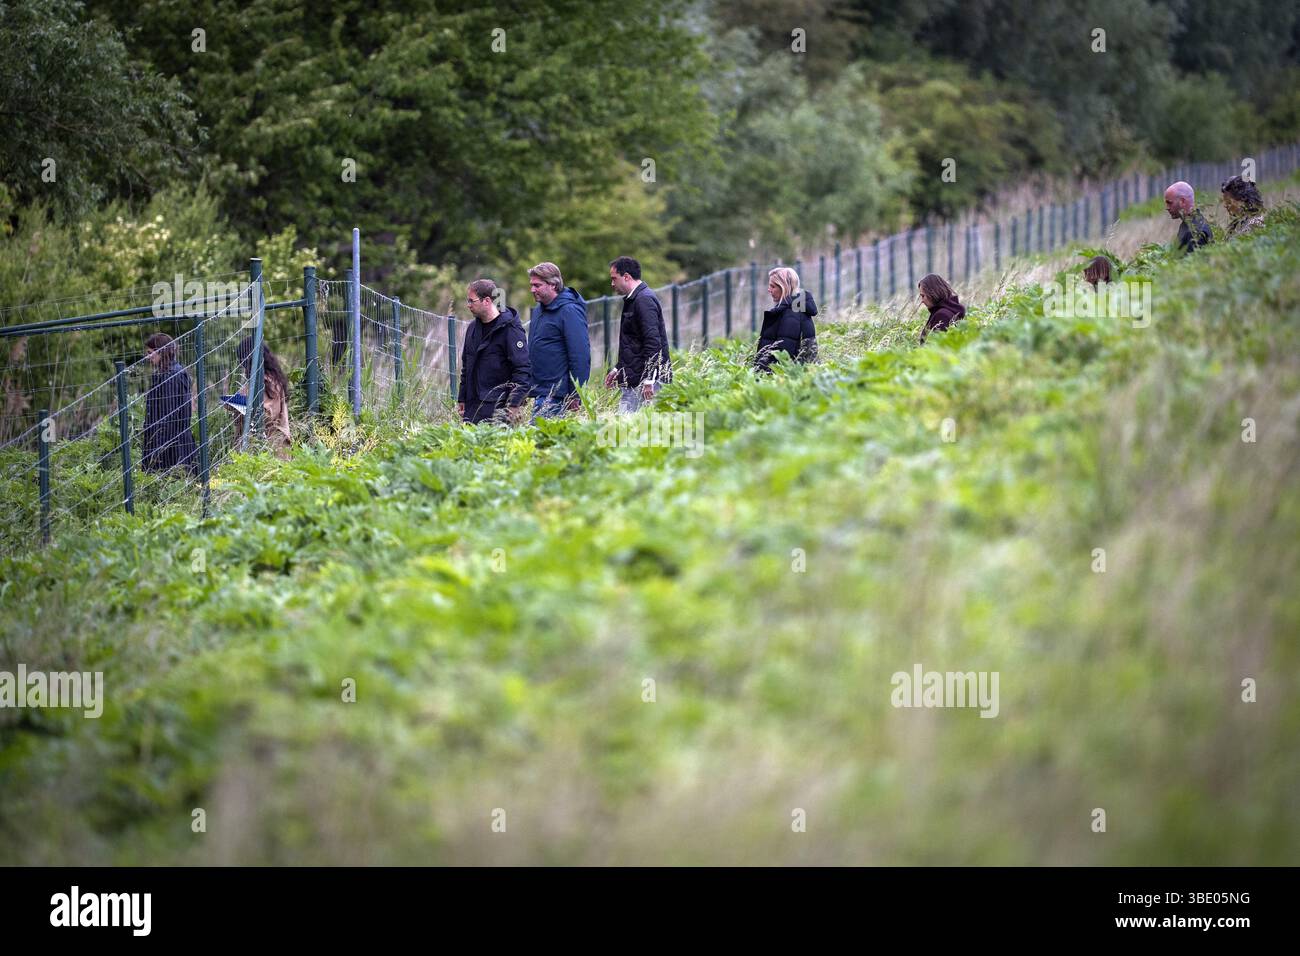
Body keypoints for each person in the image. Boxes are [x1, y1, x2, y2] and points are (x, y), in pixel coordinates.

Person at [456, 279, 532, 424]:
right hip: (472, 407)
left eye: (472, 301)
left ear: (486, 301)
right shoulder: (472, 328)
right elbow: (466, 366)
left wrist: (514, 404)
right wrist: (462, 397)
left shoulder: (511, 330)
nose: (468, 305)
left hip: (498, 407)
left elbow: (522, 369)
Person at [605, 256, 671, 413]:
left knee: (639, 430)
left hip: (644, 384)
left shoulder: (644, 300)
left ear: (626, 276)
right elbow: (633, 343)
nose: (612, 284)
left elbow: (653, 341)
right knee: (628, 430)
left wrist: (650, 379)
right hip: (634, 380)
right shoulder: (633, 299)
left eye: (614, 278)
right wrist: (618, 369)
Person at [526, 262, 590, 417]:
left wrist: (576, 393)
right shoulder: (539, 310)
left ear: (553, 285)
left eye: (537, 285)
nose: (532, 290)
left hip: (557, 395)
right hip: (540, 391)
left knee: (543, 438)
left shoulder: (569, 311)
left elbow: (580, 355)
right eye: (531, 285)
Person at [141, 332, 198, 475]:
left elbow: (168, 416)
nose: (148, 357)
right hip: (176, 440)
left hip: (170, 445)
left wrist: (158, 448)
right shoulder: (172, 371)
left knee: (172, 484)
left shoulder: (169, 376)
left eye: (150, 353)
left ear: (161, 351)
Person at [230, 336, 292, 457]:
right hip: (263, 446)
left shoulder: (269, 382)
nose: (242, 366)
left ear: (249, 359)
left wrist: (241, 406)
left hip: (273, 448)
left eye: (242, 361)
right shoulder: (261, 380)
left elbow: (267, 415)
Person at [755, 266, 818, 372]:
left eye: (773, 286)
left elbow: (783, 355)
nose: (769, 290)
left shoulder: (792, 313)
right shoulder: (797, 306)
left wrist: (763, 373)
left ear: (784, 287)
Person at [1163, 181, 1212, 254]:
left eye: (1170, 203)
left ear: (1182, 201)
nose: (1167, 208)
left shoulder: (1194, 232)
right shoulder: (1191, 222)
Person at [917, 273, 966, 343]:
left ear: (932, 293)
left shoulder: (942, 316)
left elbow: (935, 348)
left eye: (923, 296)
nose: (922, 301)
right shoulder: (947, 311)